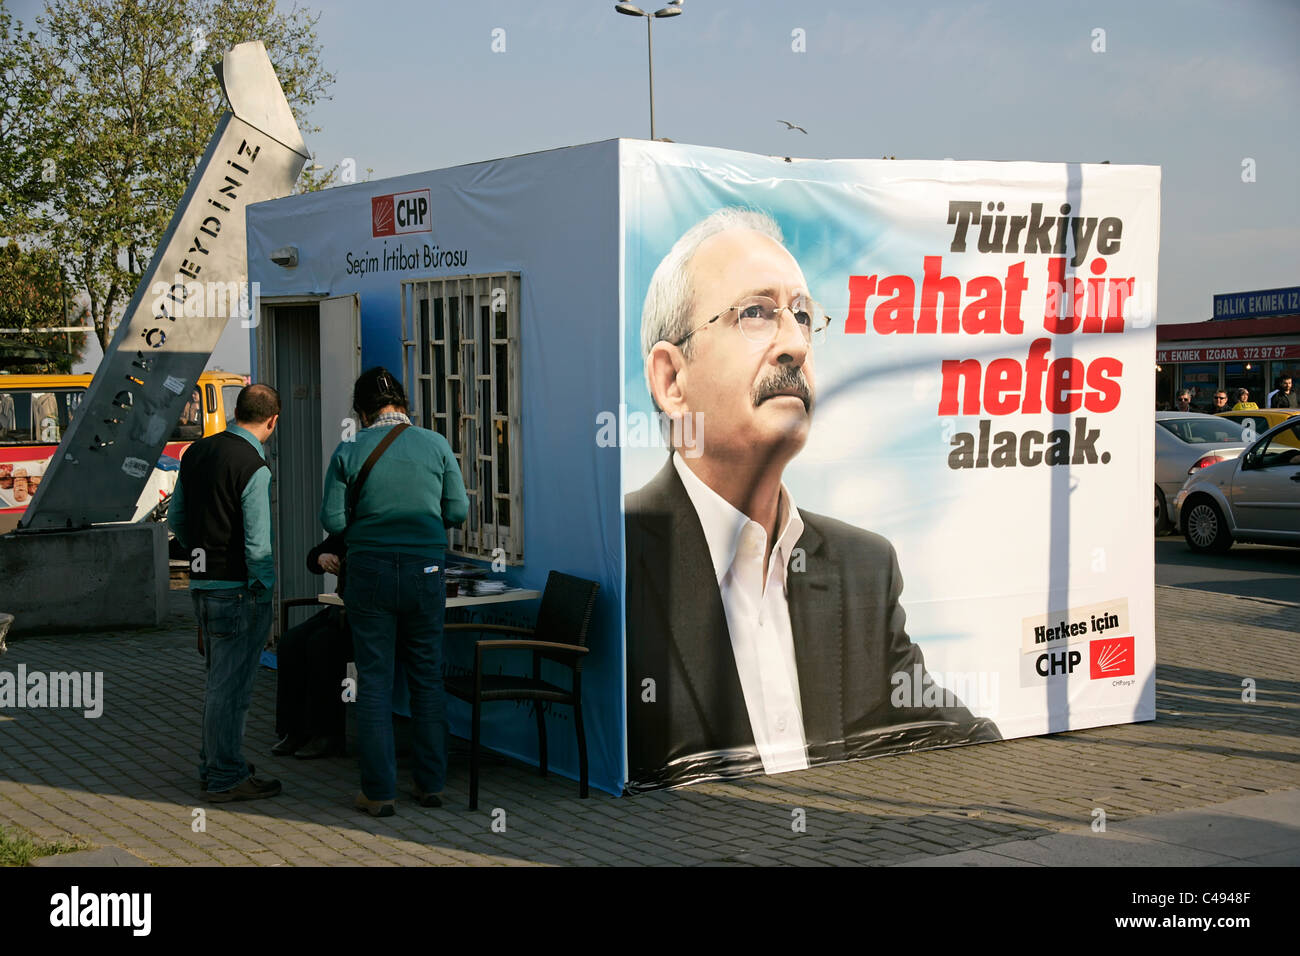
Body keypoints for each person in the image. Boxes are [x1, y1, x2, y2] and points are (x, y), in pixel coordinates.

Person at [624, 208, 1000, 792]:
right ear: (672, 380)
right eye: (756, 313)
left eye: (802, 315)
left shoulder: (862, 567)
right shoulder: (617, 554)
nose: (795, 343)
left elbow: (934, 727)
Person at [320, 367, 469, 816]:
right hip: (426, 571)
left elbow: (333, 522)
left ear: (362, 411)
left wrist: (372, 528)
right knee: (426, 678)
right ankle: (431, 785)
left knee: (375, 683)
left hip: (370, 573)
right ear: (404, 405)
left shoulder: (349, 449)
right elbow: (458, 510)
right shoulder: (436, 444)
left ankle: (379, 791)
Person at [168, 384, 282, 802]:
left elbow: (177, 518)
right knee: (232, 688)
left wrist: (202, 553)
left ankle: (215, 761)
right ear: (272, 419)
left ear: (237, 411)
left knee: (218, 682)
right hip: (238, 591)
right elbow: (257, 543)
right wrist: (264, 586)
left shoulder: (195, 452)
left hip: (202, 585)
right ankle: (225, 775)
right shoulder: (253, 464)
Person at [272, 532, 352, 759]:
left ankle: (327, 735)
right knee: (290, 642)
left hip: (371, 619)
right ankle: (294, 730)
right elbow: (313, 557)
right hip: (340, 610)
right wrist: (322, 557)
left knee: (321, 646)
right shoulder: (352, 527)